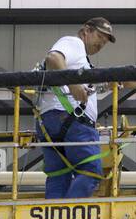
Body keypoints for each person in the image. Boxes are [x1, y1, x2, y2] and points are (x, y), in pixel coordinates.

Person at [37, 18, 118, 199]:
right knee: (92, 171)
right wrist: (73, 84)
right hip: (73, 123)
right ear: (86, 31)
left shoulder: (83, 62)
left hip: (50, 123)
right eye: (100, 36)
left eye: (105, 42)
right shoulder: (74, 43)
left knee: (59, 176)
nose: (101, 44)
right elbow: (53, 58)